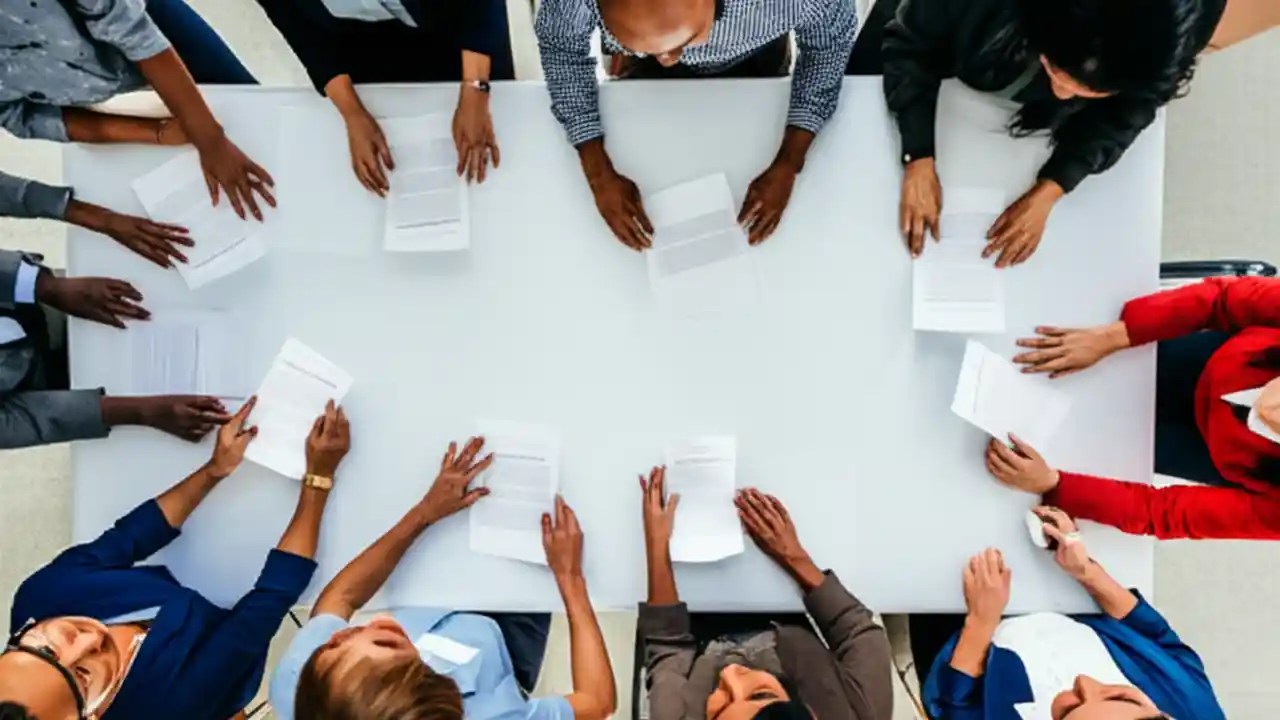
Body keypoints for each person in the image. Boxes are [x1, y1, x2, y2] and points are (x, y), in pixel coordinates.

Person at [0, 398, 350, 720]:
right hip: (224, 644)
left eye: (46, 648)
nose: (89, 639)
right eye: (82, 674)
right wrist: (318, 480)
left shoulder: (39, 596)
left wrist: (215, 469)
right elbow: (271, 598)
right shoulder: (174, 703)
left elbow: (131, 536)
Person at [879, 0, 1279, 267]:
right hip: (935, 54)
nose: (1061, 93)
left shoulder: (1170, 33)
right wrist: (919, 155)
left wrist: (1053, 186)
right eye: (1057, 71)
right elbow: (910, 45)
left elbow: (1128, 112)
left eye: (1088, 92)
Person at [269, 436, 617, 720]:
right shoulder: (497, 714)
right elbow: (597, 700)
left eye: (332, 645)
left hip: (424, 581)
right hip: (507, 635)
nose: (383, 620)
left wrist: (424, 513)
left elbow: (339, 599)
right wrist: (571, 580)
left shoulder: (302, 688)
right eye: (388, 643)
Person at [535, 0, 857, 249]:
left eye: (682, 41)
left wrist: (790, 161)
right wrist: (596, 171)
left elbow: (827, 46)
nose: (668, 59)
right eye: (649, 46)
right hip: (643, 86)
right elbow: (561, 46)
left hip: (757, 56)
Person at [990, 276, 1280, 539]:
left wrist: (1054, 483)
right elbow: (1222, 299)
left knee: (1055, 442)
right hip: (1196, 359)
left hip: (1198, 446)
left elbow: (1164, 513)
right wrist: (1115, 336)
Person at [911, 508, 1225, 719]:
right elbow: (1157, 636)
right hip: (1058, 591)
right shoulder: (1197, 710)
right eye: (1121, 697)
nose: (1083, 680)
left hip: (962, 627)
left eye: (1065, 712)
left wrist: (981, 619)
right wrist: (1086, 570)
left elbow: (952, 704)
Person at [638, 469, 893, 719]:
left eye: (718, 709)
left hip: (696, 636)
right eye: (760, 694)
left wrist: (658, 545)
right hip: (789, 613)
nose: (731, 673)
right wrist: (792, 555)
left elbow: (667, 643)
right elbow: (855, 630)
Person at [2, 0, 275, 234]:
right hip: (104, 92)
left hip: (153, 30)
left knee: (254, 123)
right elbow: (23, 117)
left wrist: (210, 140)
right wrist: (156, 133)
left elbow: (133, 31)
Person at [253, 0, 514, 192]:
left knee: (500, 158)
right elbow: (301, 27)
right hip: (361, 41)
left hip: (460, 27)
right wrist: (352, 112)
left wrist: (475, 89)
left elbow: (478, 11)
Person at [0, 249, 237, 448]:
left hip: (34, 299)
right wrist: (142, 412)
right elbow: (21, 420)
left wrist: (48, 287)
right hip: (42, 388)